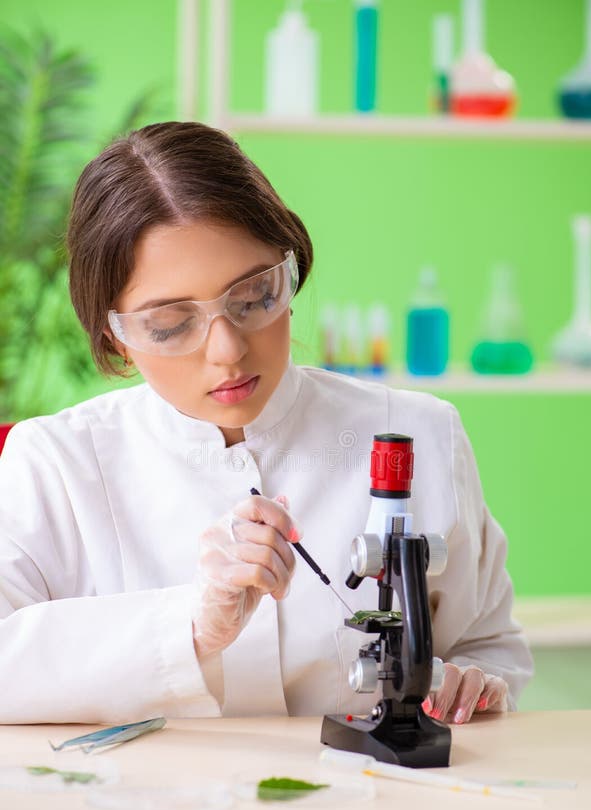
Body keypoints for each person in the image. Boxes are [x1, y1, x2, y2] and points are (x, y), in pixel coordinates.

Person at [0, 121, 533, 724]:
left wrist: (476, 690)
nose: (227, 349)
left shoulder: (418, 435)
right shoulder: (54, 463)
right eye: (171, 324)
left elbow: (490, 648)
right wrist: (191, 627)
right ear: (116, 340)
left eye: (253, 297)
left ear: (290, 270)